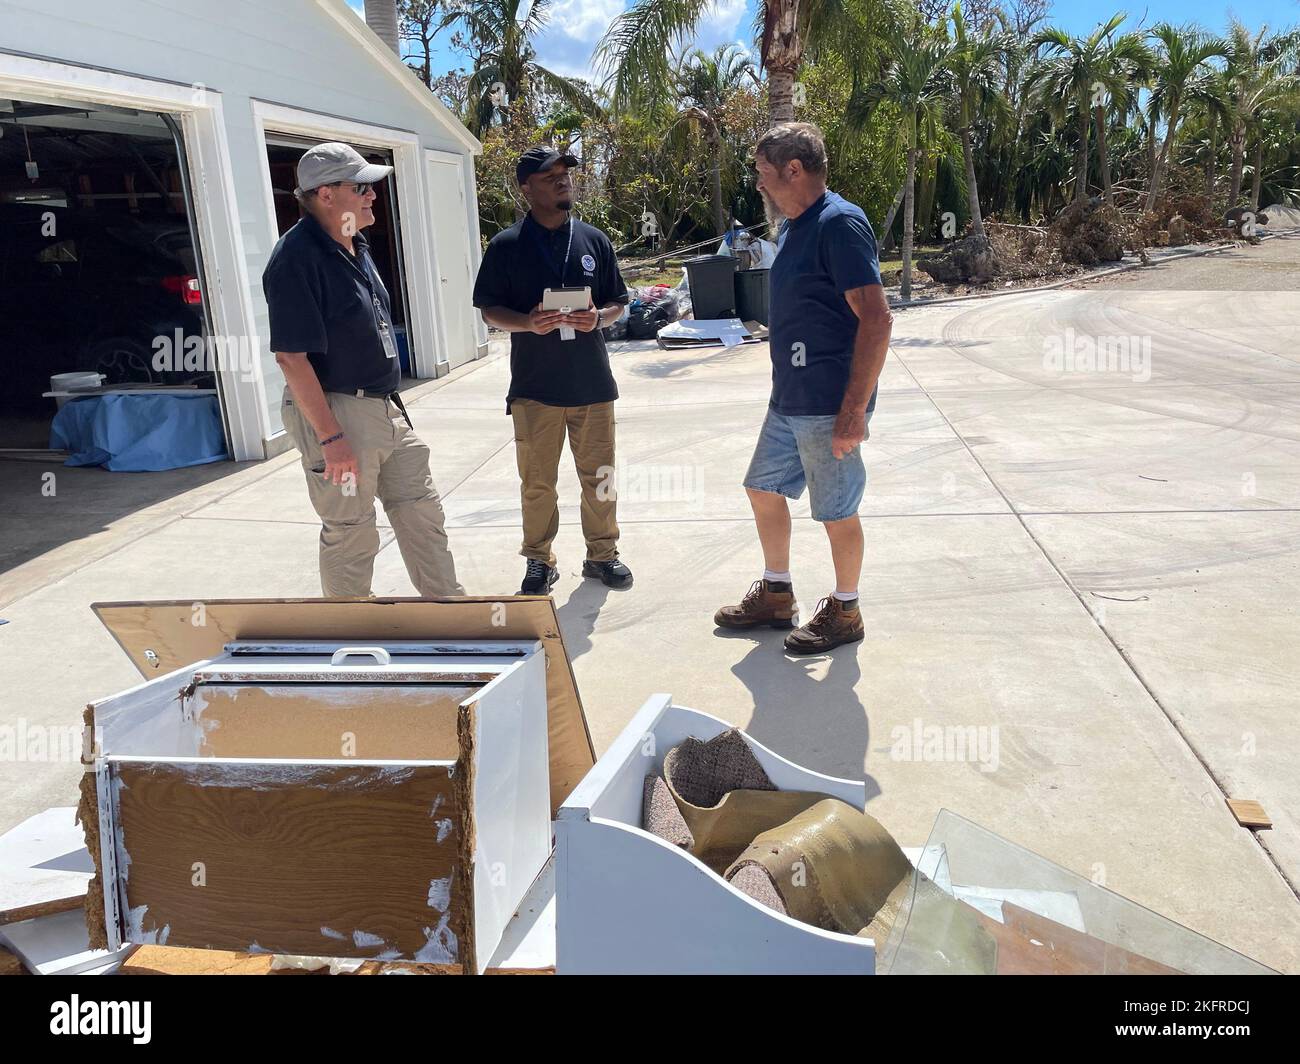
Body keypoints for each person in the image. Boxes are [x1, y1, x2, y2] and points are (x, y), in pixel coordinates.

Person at [714, 122, 892, 653]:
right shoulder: (792, 227)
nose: (760, 186)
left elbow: (877, 320)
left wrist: (854, 410)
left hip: (828, 401)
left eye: (764, 175)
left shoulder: (839, 224)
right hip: (789, 397)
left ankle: (846, 609)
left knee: (835, 509)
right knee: (762, 487)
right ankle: (776, 594)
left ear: (794, 169)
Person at [263, 141, 463, 598]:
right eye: (361, 187)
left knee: (421, 512)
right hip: (338, 413)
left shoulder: (356, 244)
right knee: (351, 530)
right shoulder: (296, 258)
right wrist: (332, 439)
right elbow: (291, 358)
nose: (373, 195)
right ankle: (352, 636)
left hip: (384, 409)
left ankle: (450, 613)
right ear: (325, 195)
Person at [473, 146, 633, 595]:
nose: (563, 181)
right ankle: (539, 561)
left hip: (592, 384)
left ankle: (602, 555)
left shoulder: (594, 241)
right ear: (527, 188)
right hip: (535, 388)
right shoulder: (506, 246)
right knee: (537, 483)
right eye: (550, 177)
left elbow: (618, 302)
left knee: (599, 478)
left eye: (566, 174)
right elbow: (489, 310)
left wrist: (598, 317)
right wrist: (527, 322)